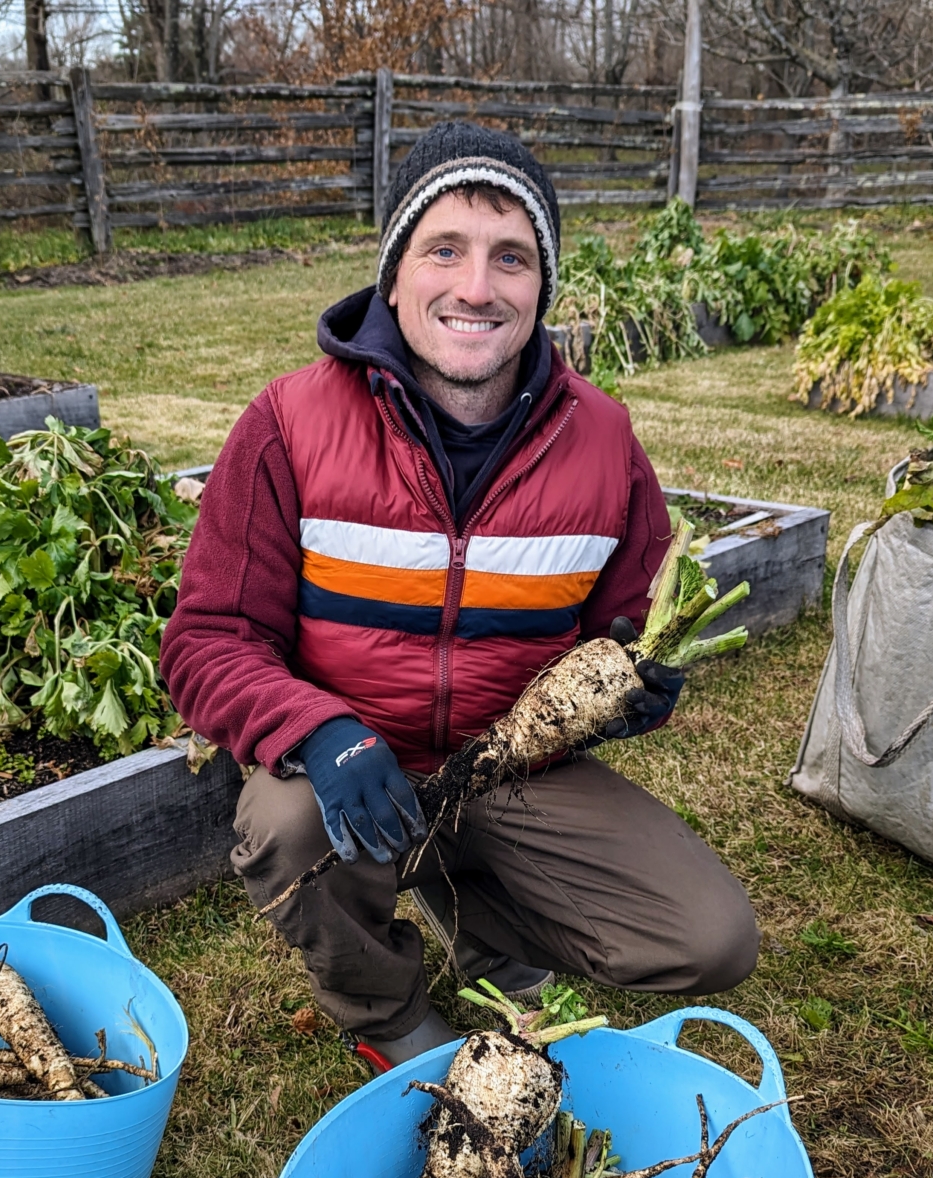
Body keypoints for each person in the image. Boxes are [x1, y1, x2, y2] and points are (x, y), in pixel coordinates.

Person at [160, 122, 760, 1069]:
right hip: (354, 768)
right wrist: (318, 731)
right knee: (287, 828)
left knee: (707, 938)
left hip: (514, 761)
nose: (477, 287)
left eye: (510, 258)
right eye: (445, 249)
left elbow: (632, 616)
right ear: (395, 274)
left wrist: (639, 678)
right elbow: (207, 640)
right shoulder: (289, 424)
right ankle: (389, 1016)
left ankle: (488, 926)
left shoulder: (601, 439)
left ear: (540, 289)